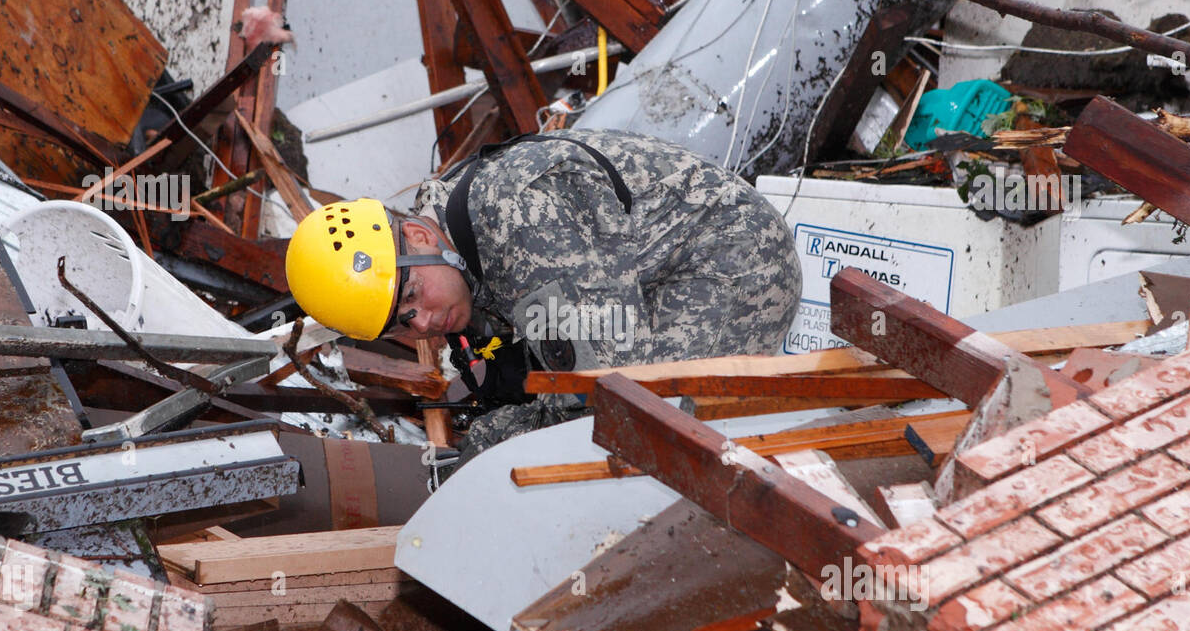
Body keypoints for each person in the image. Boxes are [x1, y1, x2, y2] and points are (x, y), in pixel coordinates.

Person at [284, 129, 802, 462]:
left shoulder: (520, 221)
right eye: (400, 323)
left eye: (412, 296)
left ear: (419, 239)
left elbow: (605, 388)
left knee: (637, 428)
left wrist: (488, 444)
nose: (420, 325)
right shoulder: (445, 228)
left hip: (733, 264)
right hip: (644, 280)